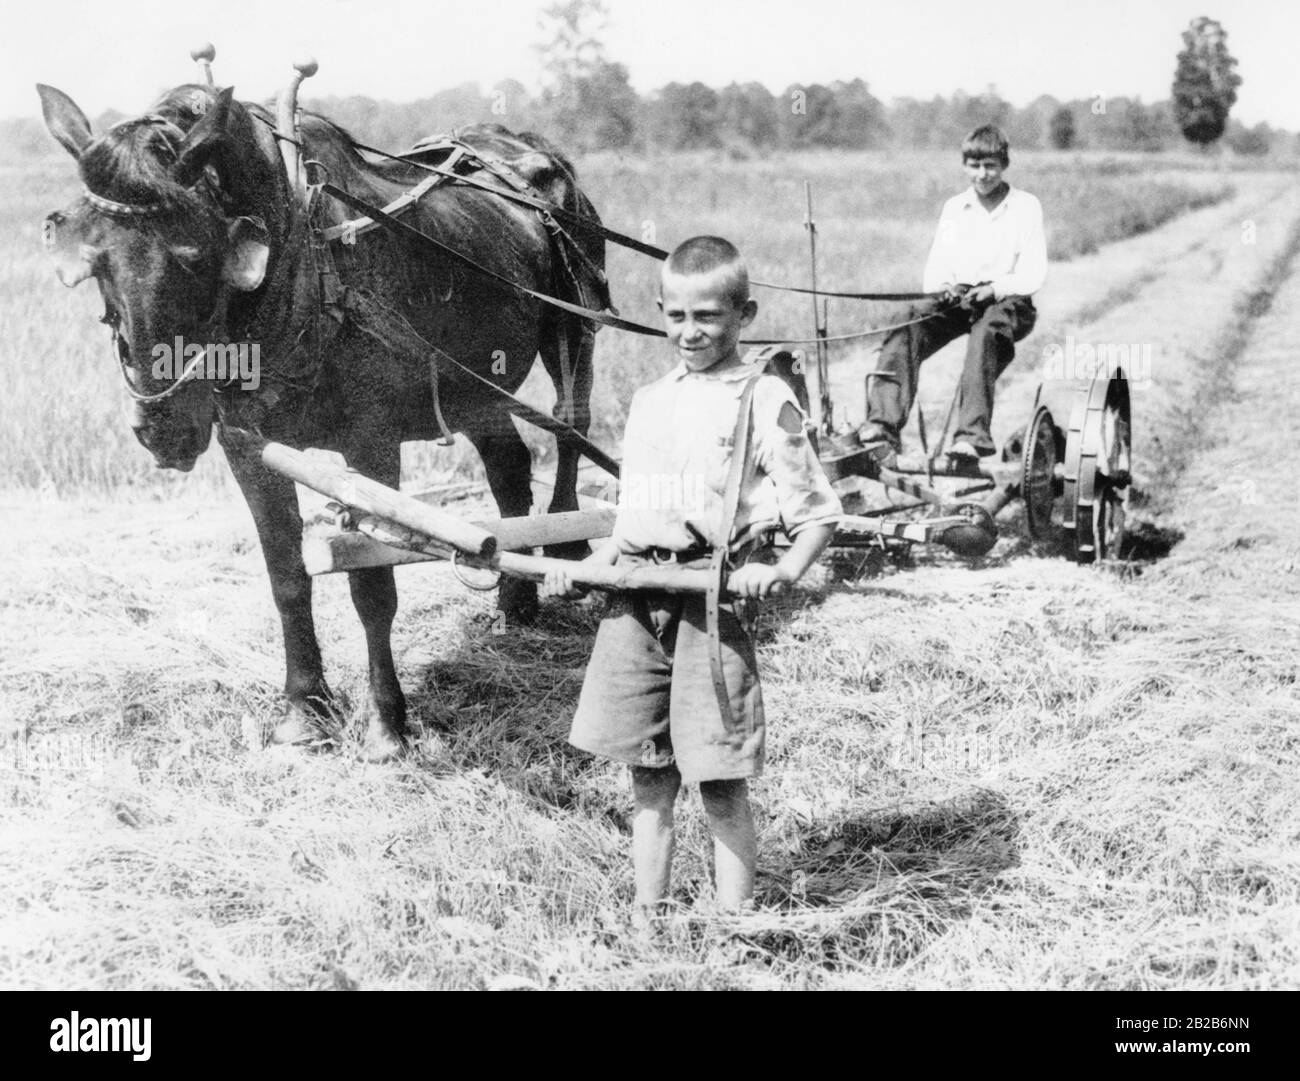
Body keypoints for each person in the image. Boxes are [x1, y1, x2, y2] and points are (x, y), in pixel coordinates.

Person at [544, 236, 841, 922]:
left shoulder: (764, 400)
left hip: (711, 606)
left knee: (719, 779)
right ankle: (651, 916)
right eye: (676, 316)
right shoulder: (650, 401)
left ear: (744, 313)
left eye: (707, 316)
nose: (690, 331)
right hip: (635, 605)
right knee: (647, 774)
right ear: (660, 312)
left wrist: (785, 570)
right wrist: (587, 571)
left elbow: (818, 512)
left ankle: (735, 929)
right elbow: (632, 521)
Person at [858, 124, 1046, 467]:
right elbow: (938, 265)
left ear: (1004, 164)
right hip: (961, 299)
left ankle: (970, 439)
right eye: (974, 166)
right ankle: (882, 426)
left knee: (986, 334)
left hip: (1010, 301)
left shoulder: (1025, 207)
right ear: (964, 166)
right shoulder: (955, 208)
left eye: (990, 166)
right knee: (908, 320)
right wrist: (946, 287)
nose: (982, 174)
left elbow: (1032, 274)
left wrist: (994, 289)